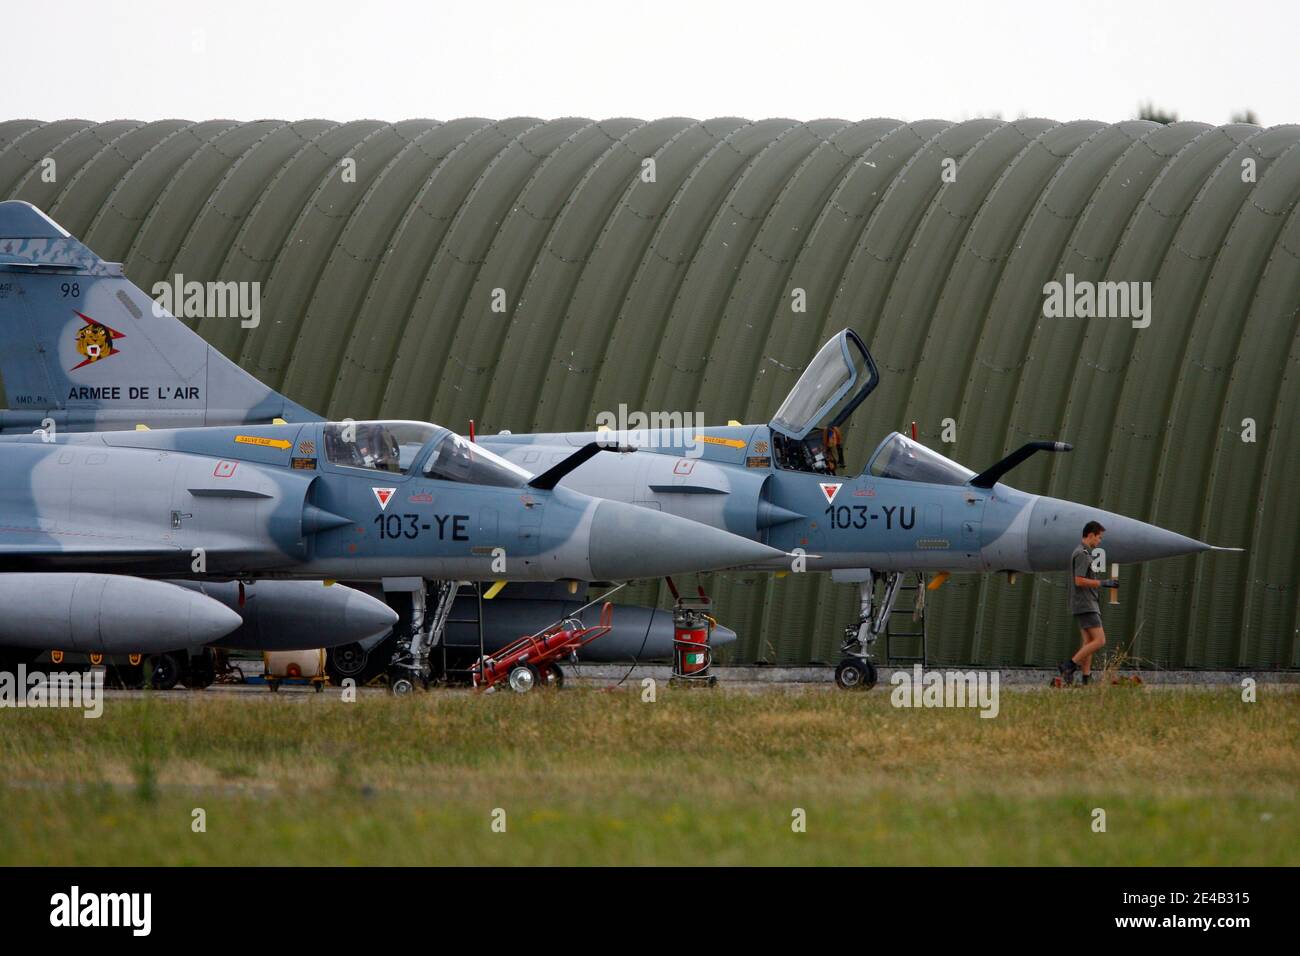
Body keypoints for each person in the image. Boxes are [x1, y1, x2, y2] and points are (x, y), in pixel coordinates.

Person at [1059, 521, 1119, 686]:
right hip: (1086, 604)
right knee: (1100, 641)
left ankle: (1086, 678)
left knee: (1088, 642)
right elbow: (1079, 581)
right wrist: (1103, 583)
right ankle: (1069, 665)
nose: (1099, 541)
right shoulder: (1082, 554)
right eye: (1099, 537)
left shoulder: (1082, 552)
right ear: (1091, 534)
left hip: (1084, 603)